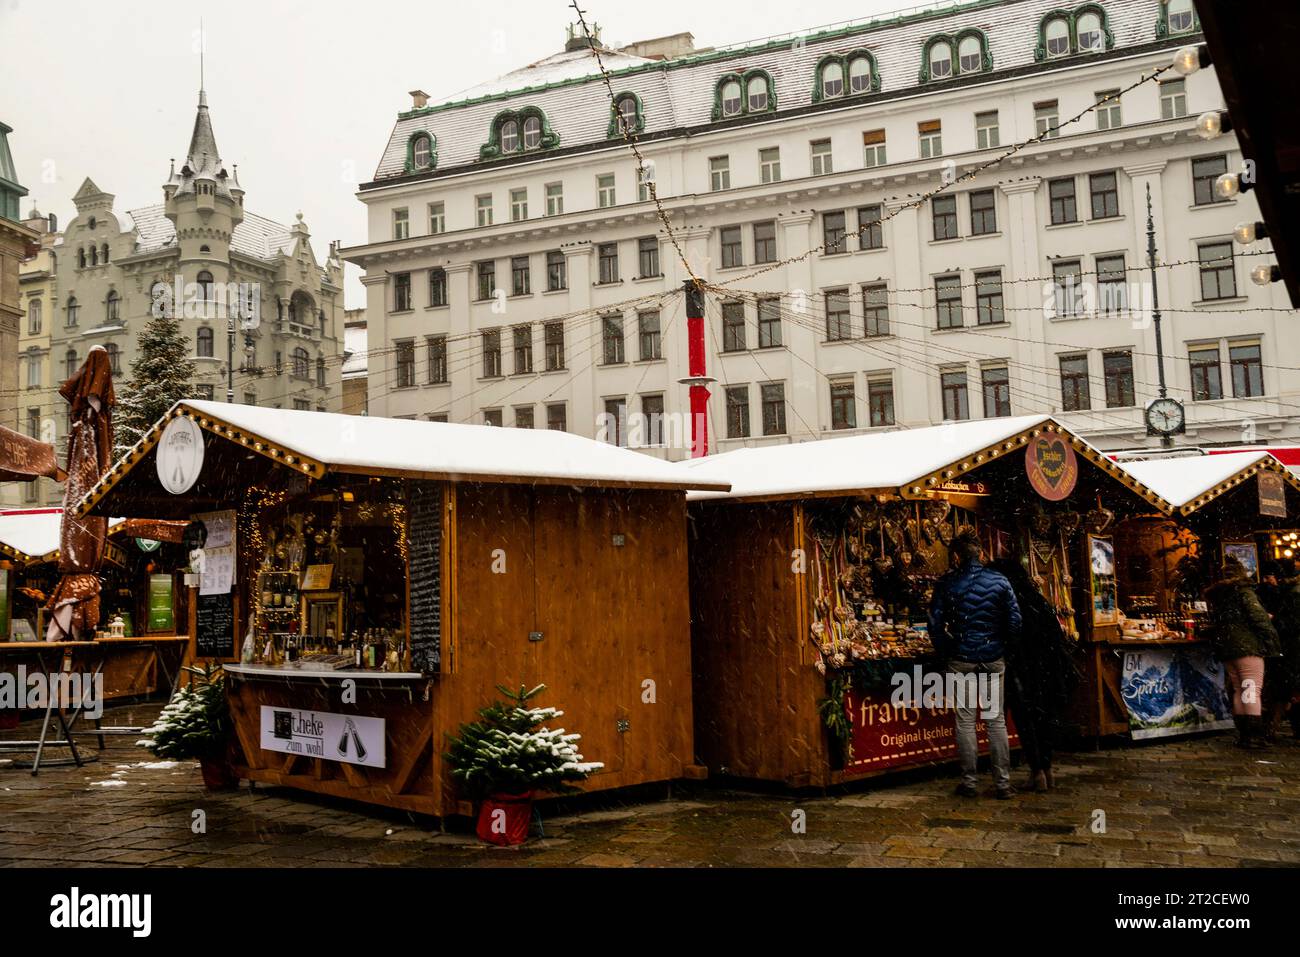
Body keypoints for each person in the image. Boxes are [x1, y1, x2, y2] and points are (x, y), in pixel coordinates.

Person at [929, 529, 1022, 799]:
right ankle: (1002, 784)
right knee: (996, 722)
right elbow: (1015, 621)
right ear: (981, 553)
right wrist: (1003, 646)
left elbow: (935, 624)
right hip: (993, 658)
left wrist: (949, 649)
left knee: (966, 721)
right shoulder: (1000, 580)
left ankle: (969, 782)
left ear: (957, 556)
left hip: (962, 659)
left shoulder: (947, 582)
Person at [993, 558, 1080, 792]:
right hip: (1047, 669)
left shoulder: (1009, 604)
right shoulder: (1038, 601)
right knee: (1044, 720)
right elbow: (1054, 637)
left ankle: (1037, 772)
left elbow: (1010, 636)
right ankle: (1047, 769)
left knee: (1026, 721)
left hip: (1024, 670)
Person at [1207, 557, 1281, 749]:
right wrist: (1271, 639)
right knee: (1252, 689)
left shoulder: (1220, 595)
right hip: (1247, 646)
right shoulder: (1244, 592)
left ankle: (1244, 733)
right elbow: (1258, 618)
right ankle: (1254, 736)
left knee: (1240, 690)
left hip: (1228, 648)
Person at [1264, 558, 1300, 740]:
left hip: (1292, 648)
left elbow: (1294, 623)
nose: (1266, 580)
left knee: (1285, 689)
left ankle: (1273, 729)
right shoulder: (1287, 592)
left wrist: (1274, 619)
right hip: (1289, 648)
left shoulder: (1293, 594)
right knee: (1289, 688)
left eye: (1269, 576)